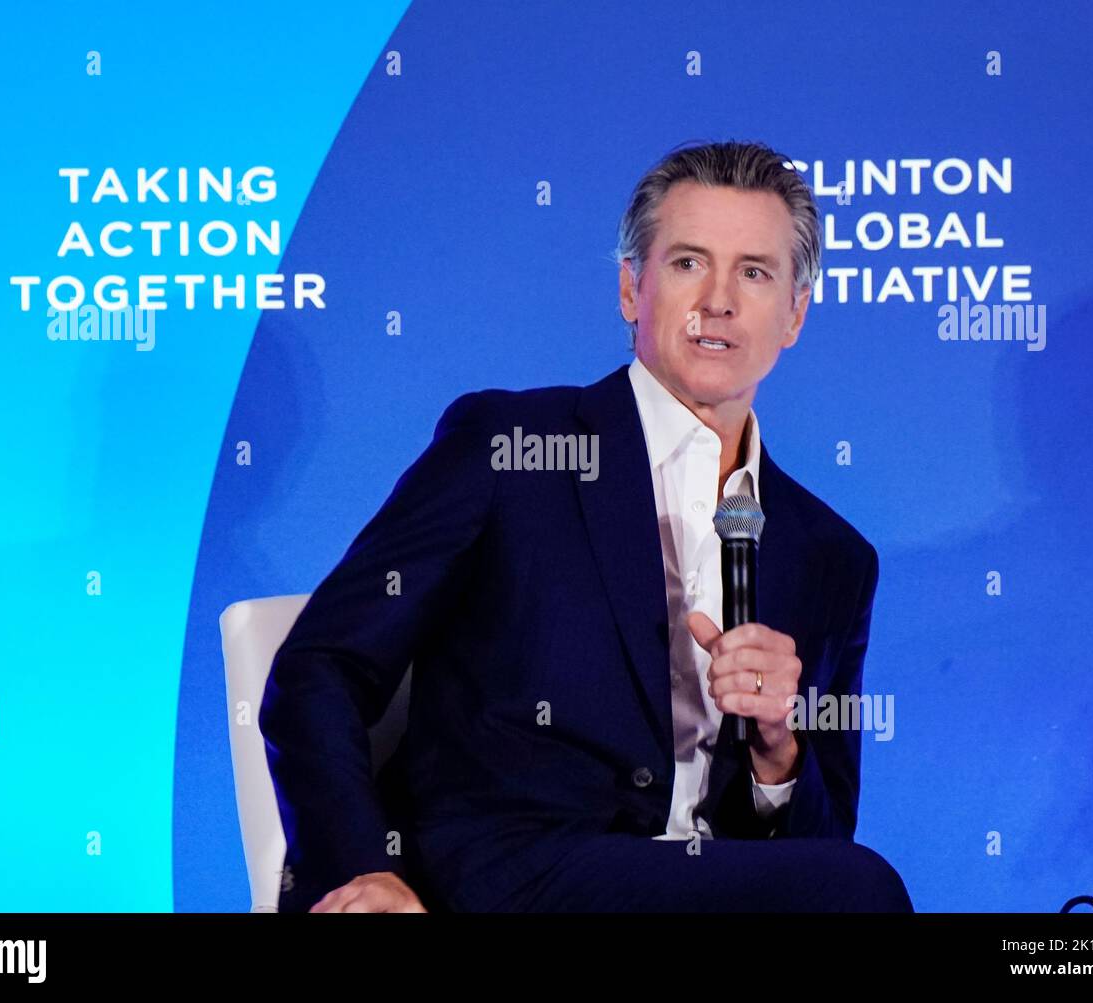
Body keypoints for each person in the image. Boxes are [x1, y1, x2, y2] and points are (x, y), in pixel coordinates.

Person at [259, 139, 913, 913]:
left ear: (795, 314)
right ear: (631, 289)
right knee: (864, 891)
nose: (719, 301)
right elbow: (320, 666)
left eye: (755, 272)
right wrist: (363, 870)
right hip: (507, 877)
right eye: (687, 263)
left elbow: (822, 841)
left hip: (695, 891)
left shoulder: (830, 555)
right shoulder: (513, 447)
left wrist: (778, 749)